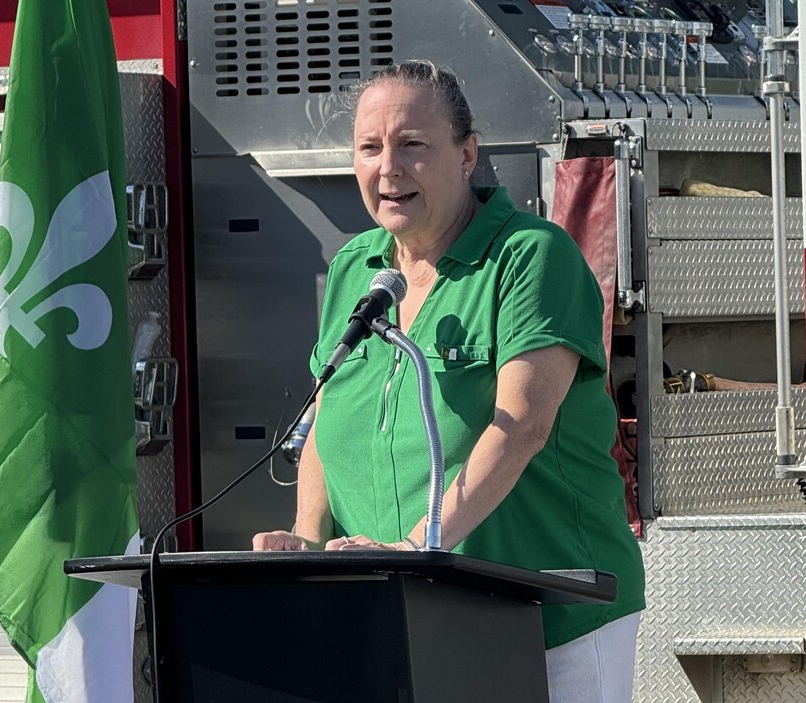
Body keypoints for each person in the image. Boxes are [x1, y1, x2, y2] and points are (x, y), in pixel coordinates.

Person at [252, 60, 646, 703]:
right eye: (370, 148)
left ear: (467, 155)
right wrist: (308, 542)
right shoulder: (356, 268)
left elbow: (522, 426)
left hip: (548, 616)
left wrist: (415, 548)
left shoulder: (529, 257)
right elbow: (329, 418)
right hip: (402, 614)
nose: (389, 168)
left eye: (413, 145)